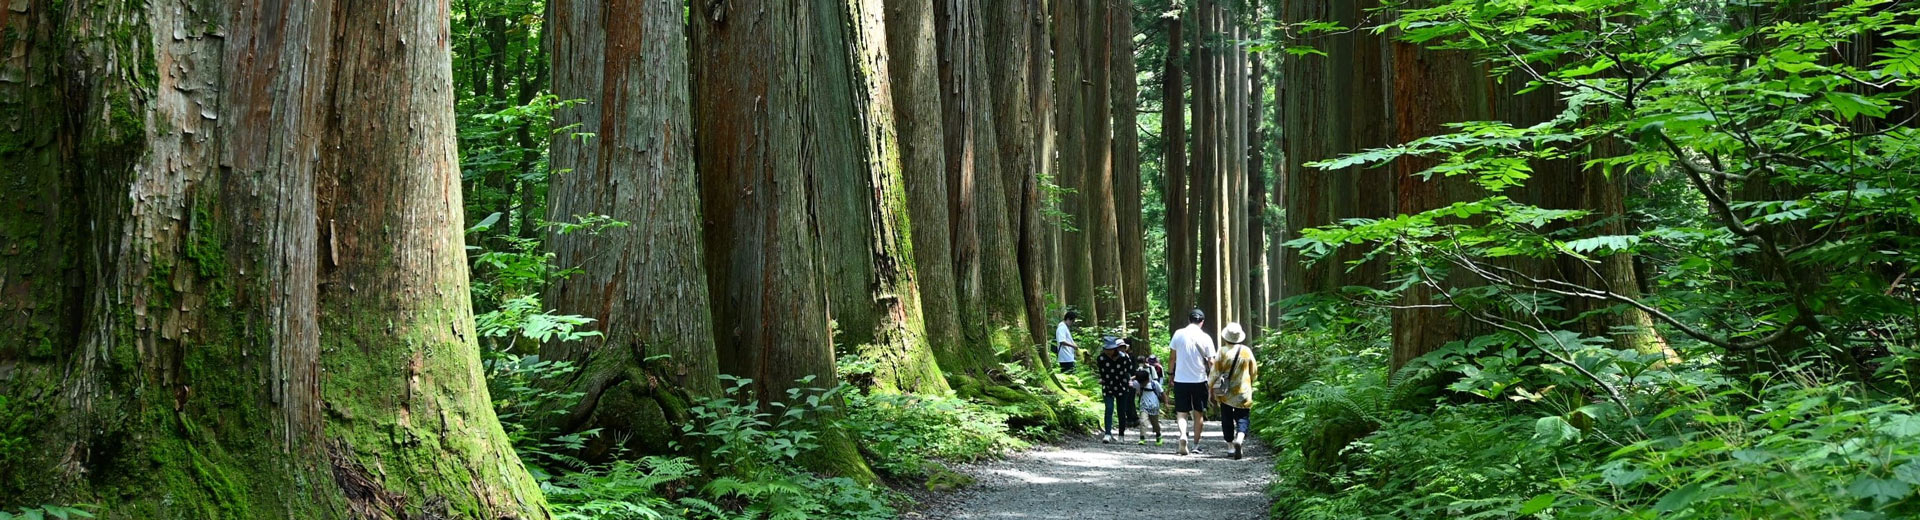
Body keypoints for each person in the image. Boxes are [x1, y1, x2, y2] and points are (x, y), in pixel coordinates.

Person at [1168, 308, 1217, 455]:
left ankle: (1183, 435)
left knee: (1181, 413)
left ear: (1189, 320)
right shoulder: (1206, 337)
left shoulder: (1178, 334)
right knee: (1198, 413)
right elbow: (1211, 362)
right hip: (1199, 380)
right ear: (1202, 322)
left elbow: (1172, 358)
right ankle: (1195, 445)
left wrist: (1170, 374)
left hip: (1180, 379)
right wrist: (1213, 381)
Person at [1214, 322, 1259, 459]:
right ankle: (1239, 438)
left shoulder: (1222, 351)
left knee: (1226, 417)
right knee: (1243, 416)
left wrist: (1211, 388)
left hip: (1225, 390)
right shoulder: (1246, 351)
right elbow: (1254, 371)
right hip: (1243, 389)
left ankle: (1230, 446)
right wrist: (1251, 380)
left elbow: (1215, 372)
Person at [1095, 337, 1137, 443]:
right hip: (1108, 385)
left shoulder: (1124, 358)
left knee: (1121, 410)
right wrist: (1103, 379)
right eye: (1106, 349)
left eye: (1110, 349)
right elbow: (1102, 372)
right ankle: (1108, 433)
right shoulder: (1101, 359)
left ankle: (1121, 434)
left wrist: (1127, 381)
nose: (1108, 352)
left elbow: (1129, 370)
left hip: (1122, 385)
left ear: (1115, 349)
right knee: (1109, 408)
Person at [1133, 355, 1166, 445]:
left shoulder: (1154, 384)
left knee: (1155, 424)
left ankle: (1158, 436)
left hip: (1154, 406)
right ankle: (1142, 438)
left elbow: (1162, 393)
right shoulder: (1139, 383)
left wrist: (1166, 403)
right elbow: (1130, 383)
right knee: (1143, 421)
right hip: (1144, 406)